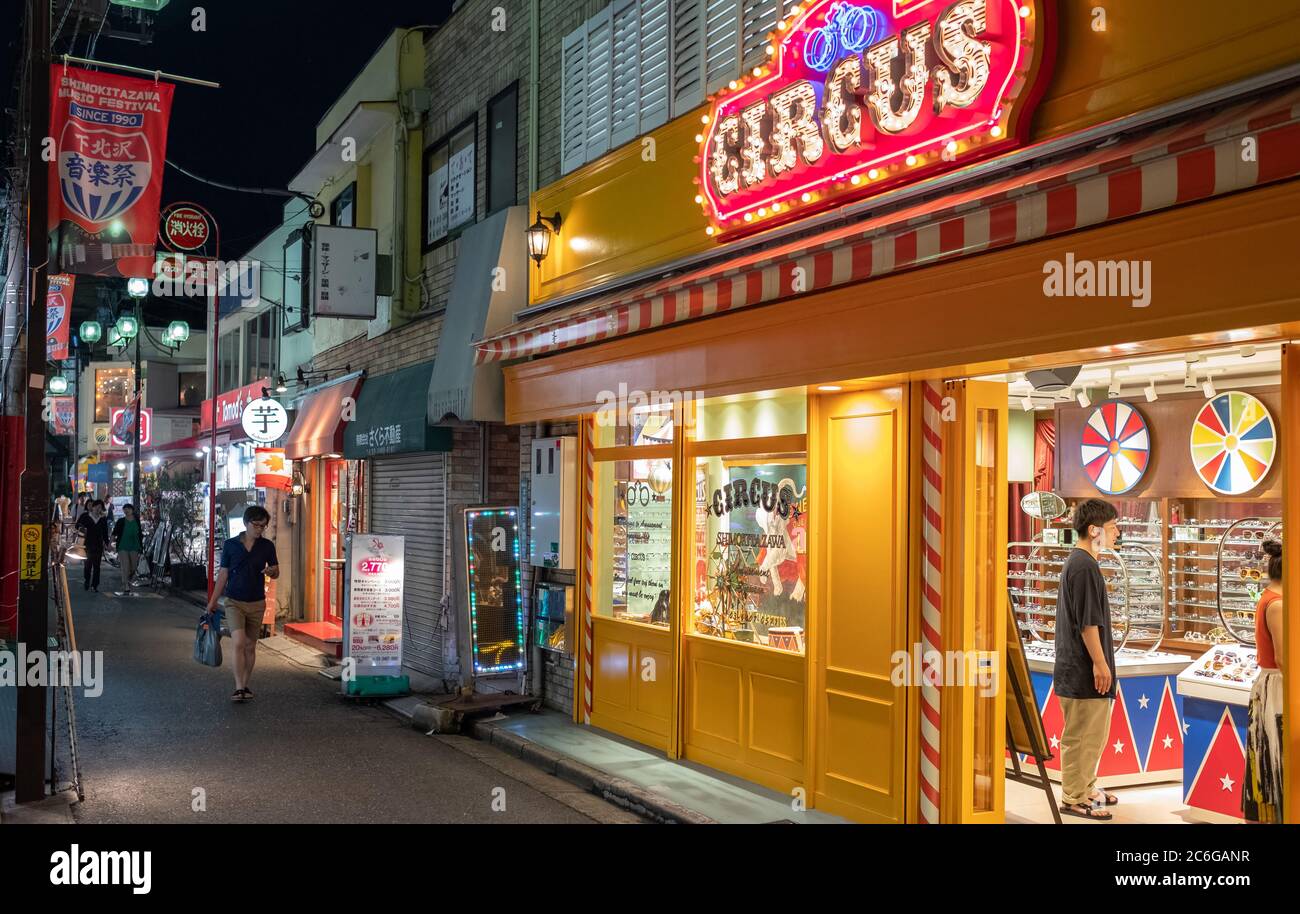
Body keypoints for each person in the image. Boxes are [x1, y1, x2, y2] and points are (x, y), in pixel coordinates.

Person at [1054, 498, 1121, 821]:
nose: (1117, 533)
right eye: (1112, 528)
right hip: (1082, 671)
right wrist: (1100, 662)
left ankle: (1086, 785)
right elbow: (1088, 622)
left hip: (1080, 669)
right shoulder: (1083, 567)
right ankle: (1073, 796)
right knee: (1081, 736)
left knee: (1092, 736)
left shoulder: (1082, 563)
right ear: (1094, 530)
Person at [205, 505, 279, 703]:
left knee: (250, 646)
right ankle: (238, 687)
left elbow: (276, 570)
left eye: (263, 526)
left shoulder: (267, 546)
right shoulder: (230, 545)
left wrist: (272, 572)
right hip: (234, 601)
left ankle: (245, 684)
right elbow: (223, 574)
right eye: (256, 525)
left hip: (257, 602)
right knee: (238, 642)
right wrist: (212, 602)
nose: (260, 529)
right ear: (246, 523)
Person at [1243, 539, 1284, 823]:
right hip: (1280, 689)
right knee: (1276, 759)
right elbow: (1284, 658)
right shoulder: (1278, 604)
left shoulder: (1271, 598)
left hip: (1275, 686)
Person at [75, 500, 110, 592]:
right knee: (87, 564)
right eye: (97, 507)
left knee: (97, 566)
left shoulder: (102, 519)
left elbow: (105, 533)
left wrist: (107, 544)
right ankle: (87, 580)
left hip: (98, 545)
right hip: (86, 544)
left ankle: (95, 585)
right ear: (93, 507)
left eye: (100, 508)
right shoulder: (85, 516)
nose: (98, 509)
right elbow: (77, 526)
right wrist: (81, 529)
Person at [113, 503, 144, 593]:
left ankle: (128, 577)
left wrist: (141, 546)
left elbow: (139, 534)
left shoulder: (136, 521)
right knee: (125, 565)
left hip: (134, 546)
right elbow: (114, 533)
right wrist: (110, 543)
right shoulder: (121, 521)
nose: (126, 510)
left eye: (128, 509)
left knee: (133, 566)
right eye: (125, 509)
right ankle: (126, 584)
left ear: (132, 510)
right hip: (122, 545)